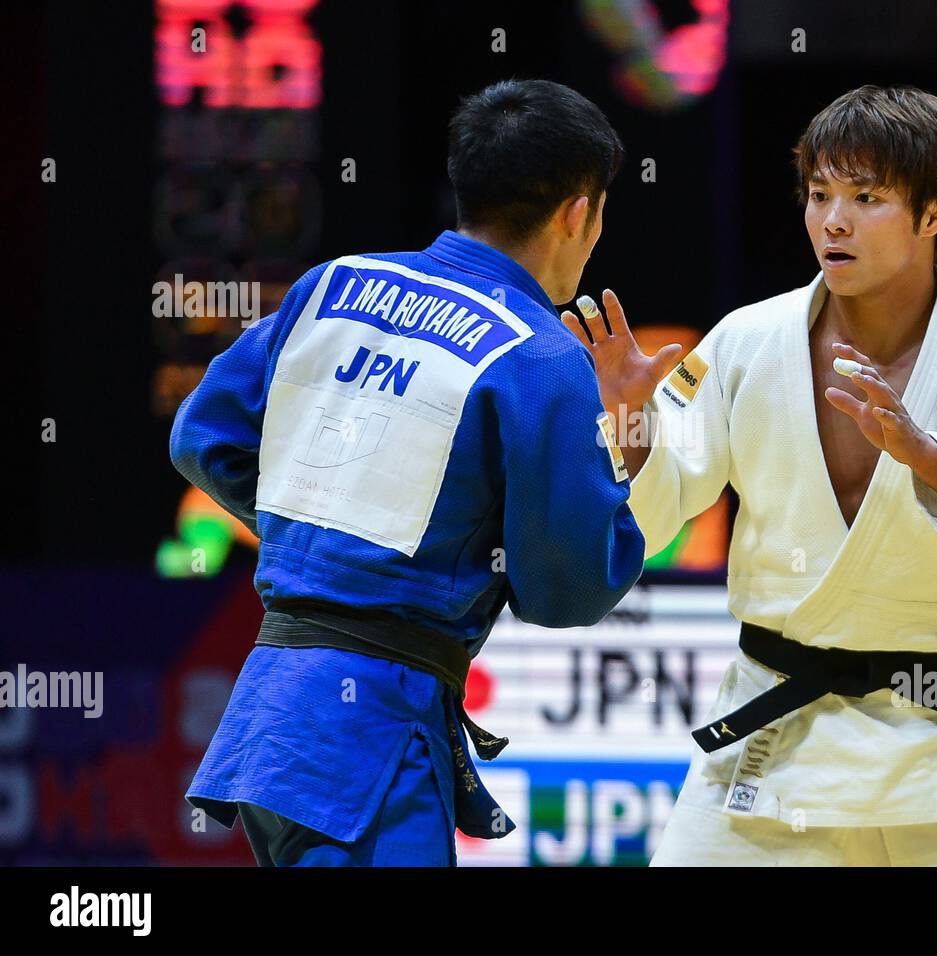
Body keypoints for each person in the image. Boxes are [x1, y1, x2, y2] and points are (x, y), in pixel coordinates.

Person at [563, 85, 937, 866]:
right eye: (819, 195)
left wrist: (930, 454)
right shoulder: (746, 342)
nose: (833, 220)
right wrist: (632, 423)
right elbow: (653, 517)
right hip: (772, 745)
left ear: (934, 214)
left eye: (866, 197)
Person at [171, 79, 655, 866]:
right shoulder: (541, 357)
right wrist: (618, 458)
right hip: (372, 740)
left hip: (275, 720)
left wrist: (322, 530)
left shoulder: (331, 286)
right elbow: (564, 590)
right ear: (578, 211)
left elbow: (202, 437)